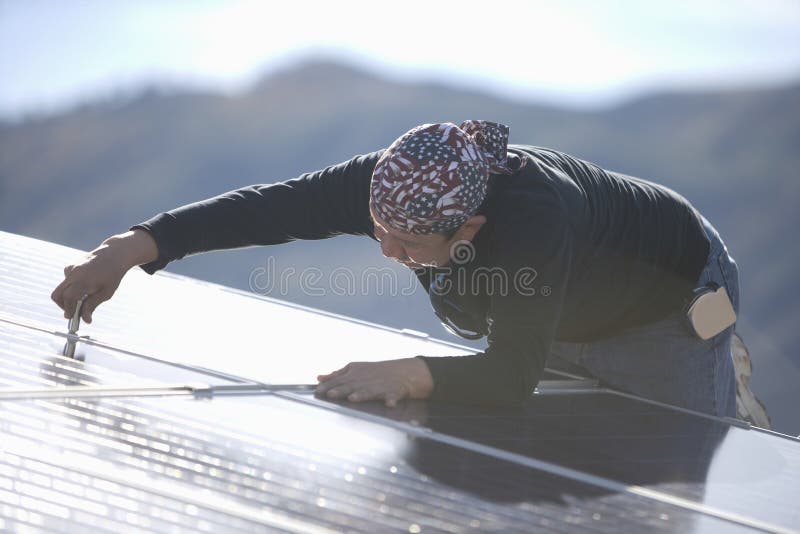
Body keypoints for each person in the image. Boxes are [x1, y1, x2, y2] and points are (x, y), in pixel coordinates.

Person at [51, 120, 743, 417]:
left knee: (670, 458)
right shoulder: (397, 181)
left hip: (676, 299)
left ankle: (724, 371)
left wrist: (412, 371)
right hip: (564, 299)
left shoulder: (537, 223)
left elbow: (508, 378)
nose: (387, 253)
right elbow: (266, 211)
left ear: (469, 226)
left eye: (407, 243)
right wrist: (138, 244)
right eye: (377, 232)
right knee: (563, 439)